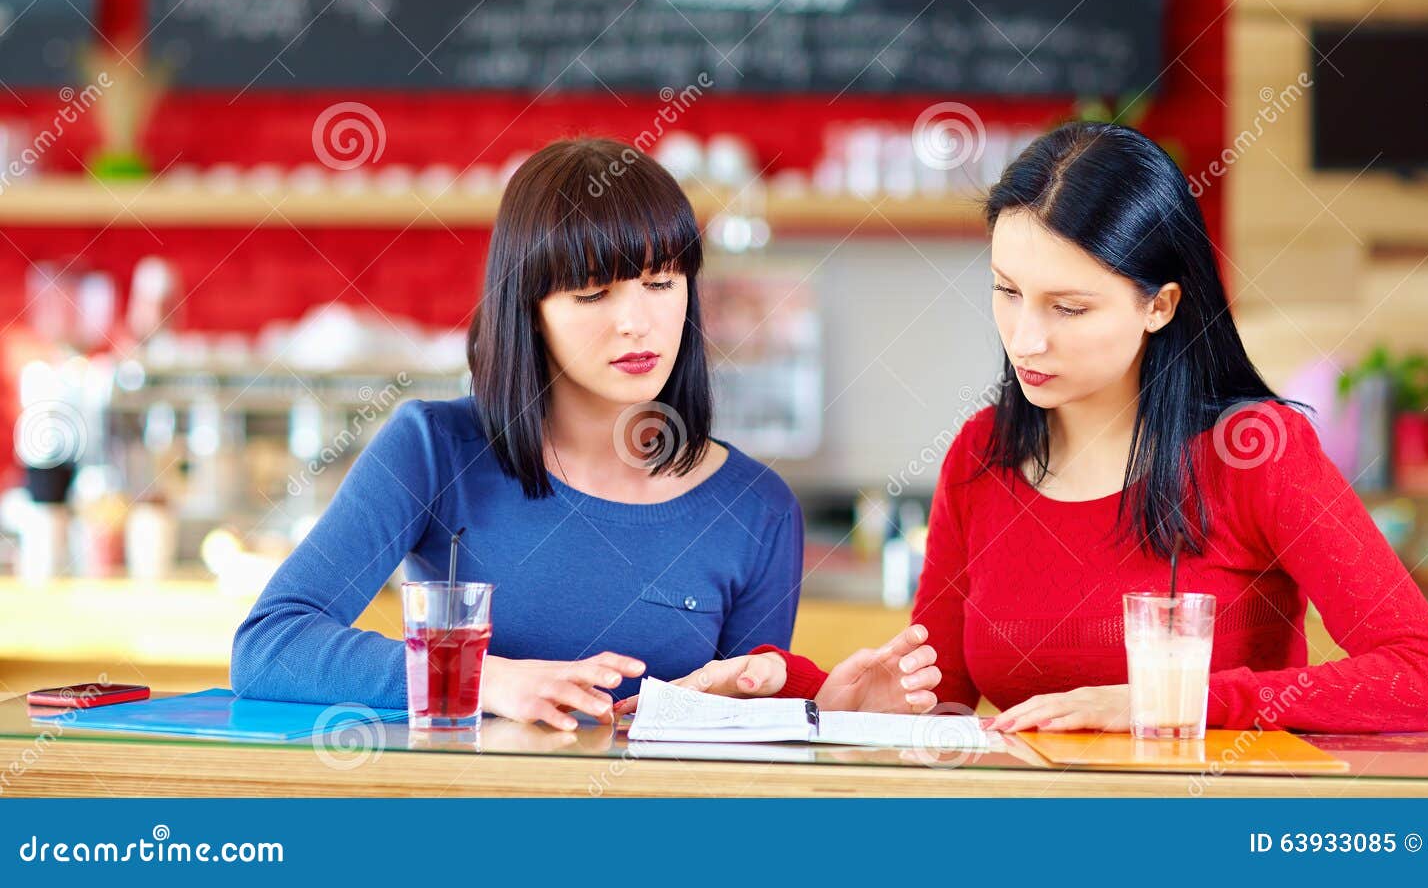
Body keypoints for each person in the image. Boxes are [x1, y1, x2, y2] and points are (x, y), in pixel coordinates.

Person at [688, 123, 1428, 734]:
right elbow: (944, 702)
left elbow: (1426, 680)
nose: (1026, 338)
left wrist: (1168, 702)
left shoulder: (1256, 453)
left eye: (1068, 307)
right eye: (1007, 291)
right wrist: (825, 695)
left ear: (1160, 304)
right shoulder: (981, 454)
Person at [233, 138, 930, 729]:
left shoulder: (756, 508)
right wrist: (489, 680)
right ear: (527, 307)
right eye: (594, 292)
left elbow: (739, 751)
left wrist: (816, 711)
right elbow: (270, 644)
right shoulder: (433, 449)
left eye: (661, 282)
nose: (637, 322)